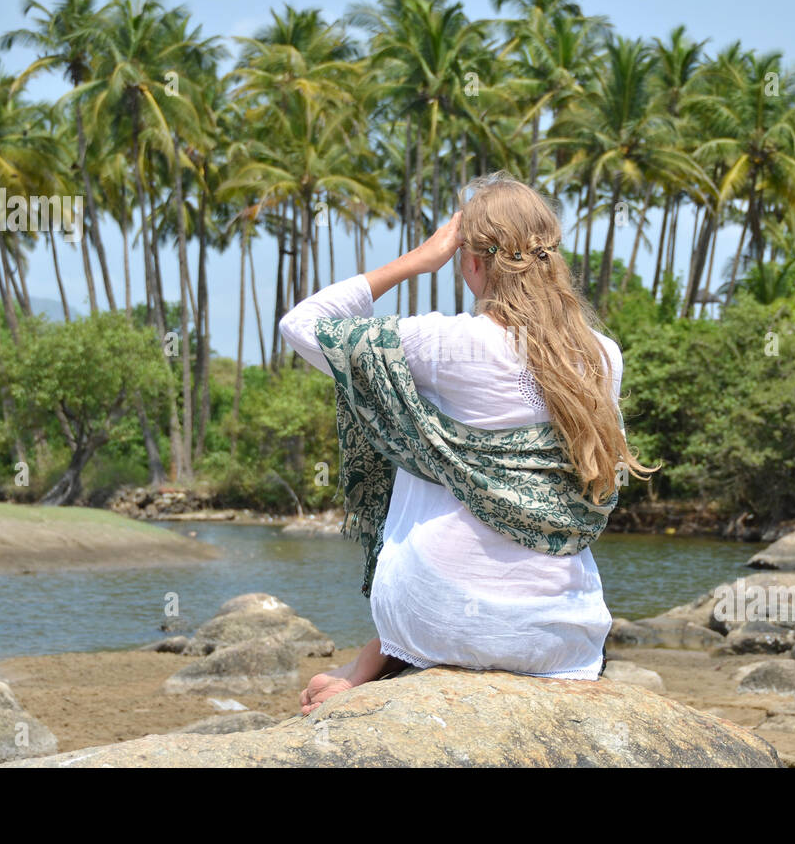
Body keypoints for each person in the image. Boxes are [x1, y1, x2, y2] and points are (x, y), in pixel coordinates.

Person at [278, 172, 658, 715]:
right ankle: (365, 666)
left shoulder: (448, 342)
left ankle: (367, 666)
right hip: (561, 636)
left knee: (420, 442)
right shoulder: (603, 356)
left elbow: (302, 324)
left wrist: (417, 260)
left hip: (439, 616)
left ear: (471, 260)